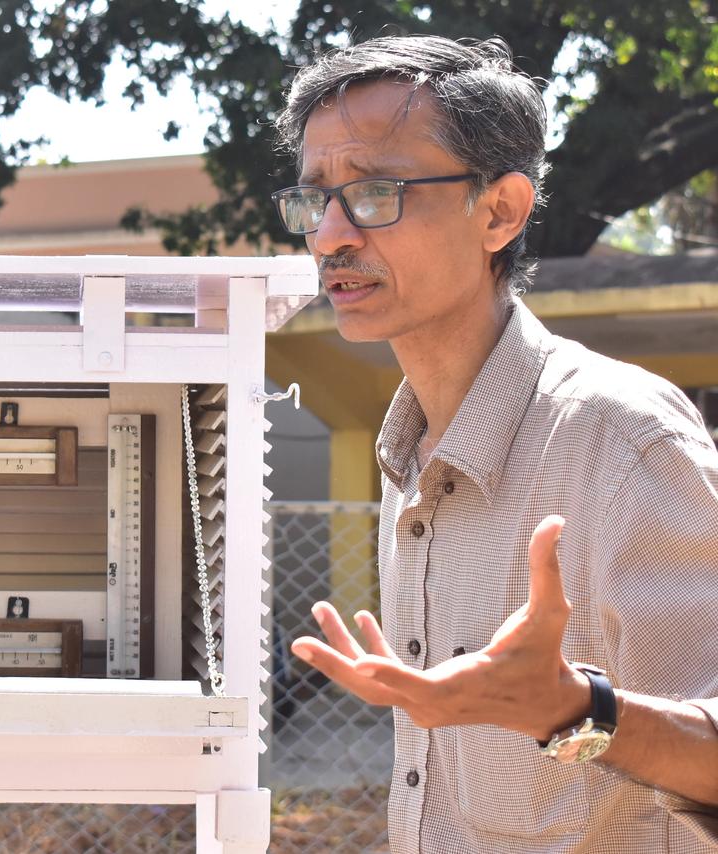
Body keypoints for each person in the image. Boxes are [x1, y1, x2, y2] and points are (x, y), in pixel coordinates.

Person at [276, 35, 718, 852]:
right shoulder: (409, 454)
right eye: (314, 199)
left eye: (374, 192)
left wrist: (576, 713)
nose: (330, 234)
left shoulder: (624, 442)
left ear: (499, 212)